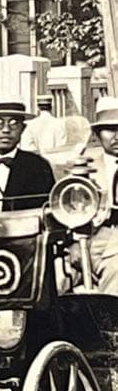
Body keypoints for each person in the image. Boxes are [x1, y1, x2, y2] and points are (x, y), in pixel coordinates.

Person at [78, 97, 118, 294]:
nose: (116, 137)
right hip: (91, 236)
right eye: (110, 129)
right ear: (97, 133)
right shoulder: (84, 166)